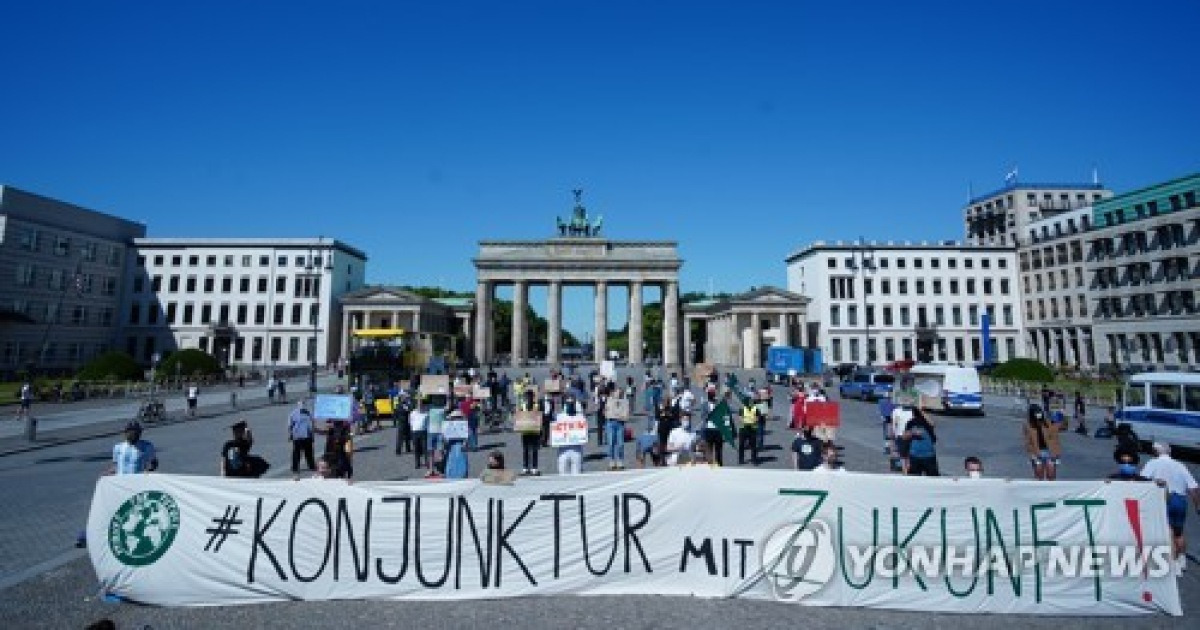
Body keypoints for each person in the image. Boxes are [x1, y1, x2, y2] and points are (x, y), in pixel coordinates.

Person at [1140, 443, 1200, 575]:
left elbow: (1142, 481)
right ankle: (1181, 560)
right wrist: (1197, 506)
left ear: (1156, 451)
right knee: (1179, 532)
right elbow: (1194, 488)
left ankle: (1172, 564)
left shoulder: (1153, 463)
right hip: (1180, 500)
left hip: (1164, 498)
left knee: (1168, 531)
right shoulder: (1180, 465)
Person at [1022, 404, 1061, 481]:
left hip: (1050, 452)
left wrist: (1062, 415)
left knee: (1051, 476)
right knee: (1039, 477)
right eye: (1036, 413)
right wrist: (1032, 454)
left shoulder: (1048, 422)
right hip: (1037, 453)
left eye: (1039, 412)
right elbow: (1027, 442)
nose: (1038, 415)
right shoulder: (1027, 425)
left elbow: (1062, 427)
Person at [903, 408, 939, 476]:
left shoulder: (928, 422)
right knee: (914, 478)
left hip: (929, 455)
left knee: (933, 478)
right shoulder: (911, 422)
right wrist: (913, 433)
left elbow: (933, 424)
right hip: (915, 455)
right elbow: (904, 437)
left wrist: (921, 410)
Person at [603, 382, 626, 470]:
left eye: (619, 392)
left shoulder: (624, 401)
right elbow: (605, 411)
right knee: (611, 443)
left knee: (620, 443)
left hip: (620, 423)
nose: (617, 393)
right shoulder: (609, 400)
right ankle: (612, 461)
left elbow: (626, 415)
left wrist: (618, 416)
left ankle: (620, 460)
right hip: (610, 422)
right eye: (616, 392)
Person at [288, 401, 316, 474]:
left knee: (309, 452)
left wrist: (312, 435)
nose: (302, 407)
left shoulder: (309, 413)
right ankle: (295, 467)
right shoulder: (293, 414)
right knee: (296, 452)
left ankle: (311, 465)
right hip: (297, 436)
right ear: (298, 406)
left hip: (307, 436)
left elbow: (311, 424)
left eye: (303, 405)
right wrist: (290, 434)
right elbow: (290, 425)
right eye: (301, 405)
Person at [700, 390, 726, 466]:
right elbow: (702, 416)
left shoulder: (719, 404)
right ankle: (710, 465)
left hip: (718, 430)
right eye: (710, 395)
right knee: (709, 450)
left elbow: (724, 416)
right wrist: (709, 416)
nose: (712, 397)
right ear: (708, 396)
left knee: (718, 451)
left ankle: (719, 465)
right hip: (709, 430)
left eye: (713, 395)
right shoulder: (704, 404)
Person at [738, 401, 760, 466]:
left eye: (751, 402)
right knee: (741, 445)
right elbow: (740, 419)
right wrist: (749, 420)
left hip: (752, 430)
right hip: (743, 430)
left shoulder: (756, 409)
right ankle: (741, 459)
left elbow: (757, 419)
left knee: (753, 446)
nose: (750, 404)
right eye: (748, 403)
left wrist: (750, 421)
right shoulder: (742, 409)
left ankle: (754, 460)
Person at [409, 400, 429, 469]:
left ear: (422, 405)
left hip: (424, 432)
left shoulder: (426, 413)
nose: (419, 406)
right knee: (416, 449)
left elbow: (428, 423)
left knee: (425, 448)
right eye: (418, 405)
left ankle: (427, 463)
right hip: (415, 432)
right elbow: (411, 422)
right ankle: (417, 463)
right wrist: (412, 431)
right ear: (416, 405)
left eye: (421, 404)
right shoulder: (412, 413)